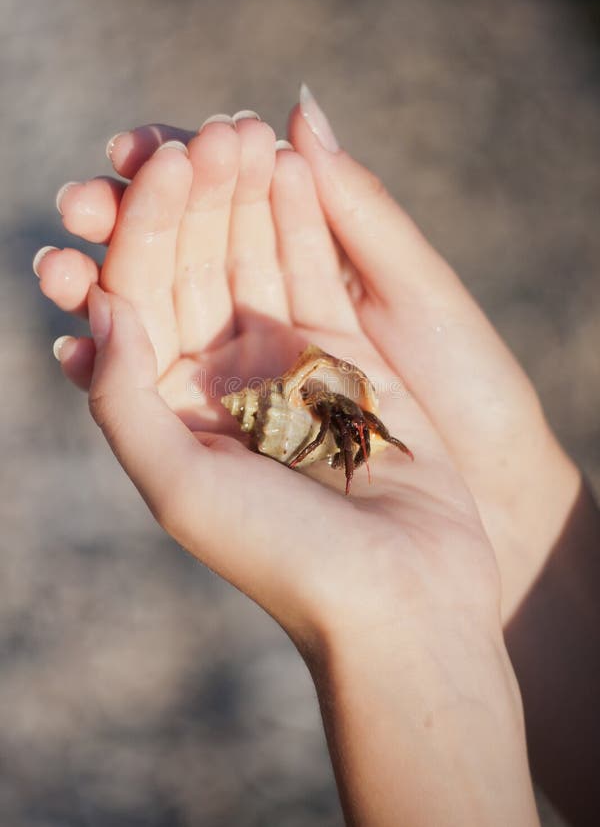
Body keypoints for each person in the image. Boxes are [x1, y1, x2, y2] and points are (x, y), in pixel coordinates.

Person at [33, 86, 599, 826]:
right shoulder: (316, 405)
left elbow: (357, 423)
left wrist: (405, 614)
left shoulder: (347, 416)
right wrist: (511, 495)